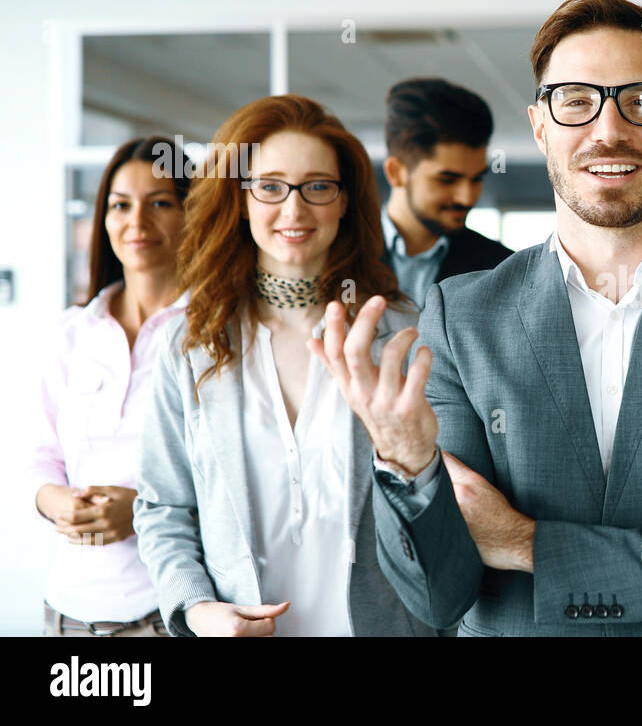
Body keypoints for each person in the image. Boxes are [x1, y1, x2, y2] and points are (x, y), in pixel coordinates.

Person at [310, 0, 642, 636]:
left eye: (640, 101)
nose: (609, 130)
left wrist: (525, 543)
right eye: (577, 101)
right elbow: (439, 598)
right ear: (539, 125)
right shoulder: (462, 314)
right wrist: (407, 463)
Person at [133, 95, 436, 637]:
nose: (294, 211)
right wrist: (198, 610)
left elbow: (441, 500)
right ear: (241, 199)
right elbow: (163, 508)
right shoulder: (189, 340)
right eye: (270, 187)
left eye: (318, 187)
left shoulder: (402, 333)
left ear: (345, 202)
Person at [28, 136, 192, 637]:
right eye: (121, 205)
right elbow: (40, 453)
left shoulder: (214, 331)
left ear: (192, 214)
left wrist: (142, 510)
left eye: (160, 203)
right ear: (103, 217)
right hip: (68, 614)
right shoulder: (71, 331)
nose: (136, 222)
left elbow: (237, 475)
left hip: (169, 612)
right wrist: (53, 500)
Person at [382, 78, 512, 303]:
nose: (467, 197)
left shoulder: (501, 268)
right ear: (396, 172)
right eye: (447, 180)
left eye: (476, 178)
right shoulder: (333, 251)